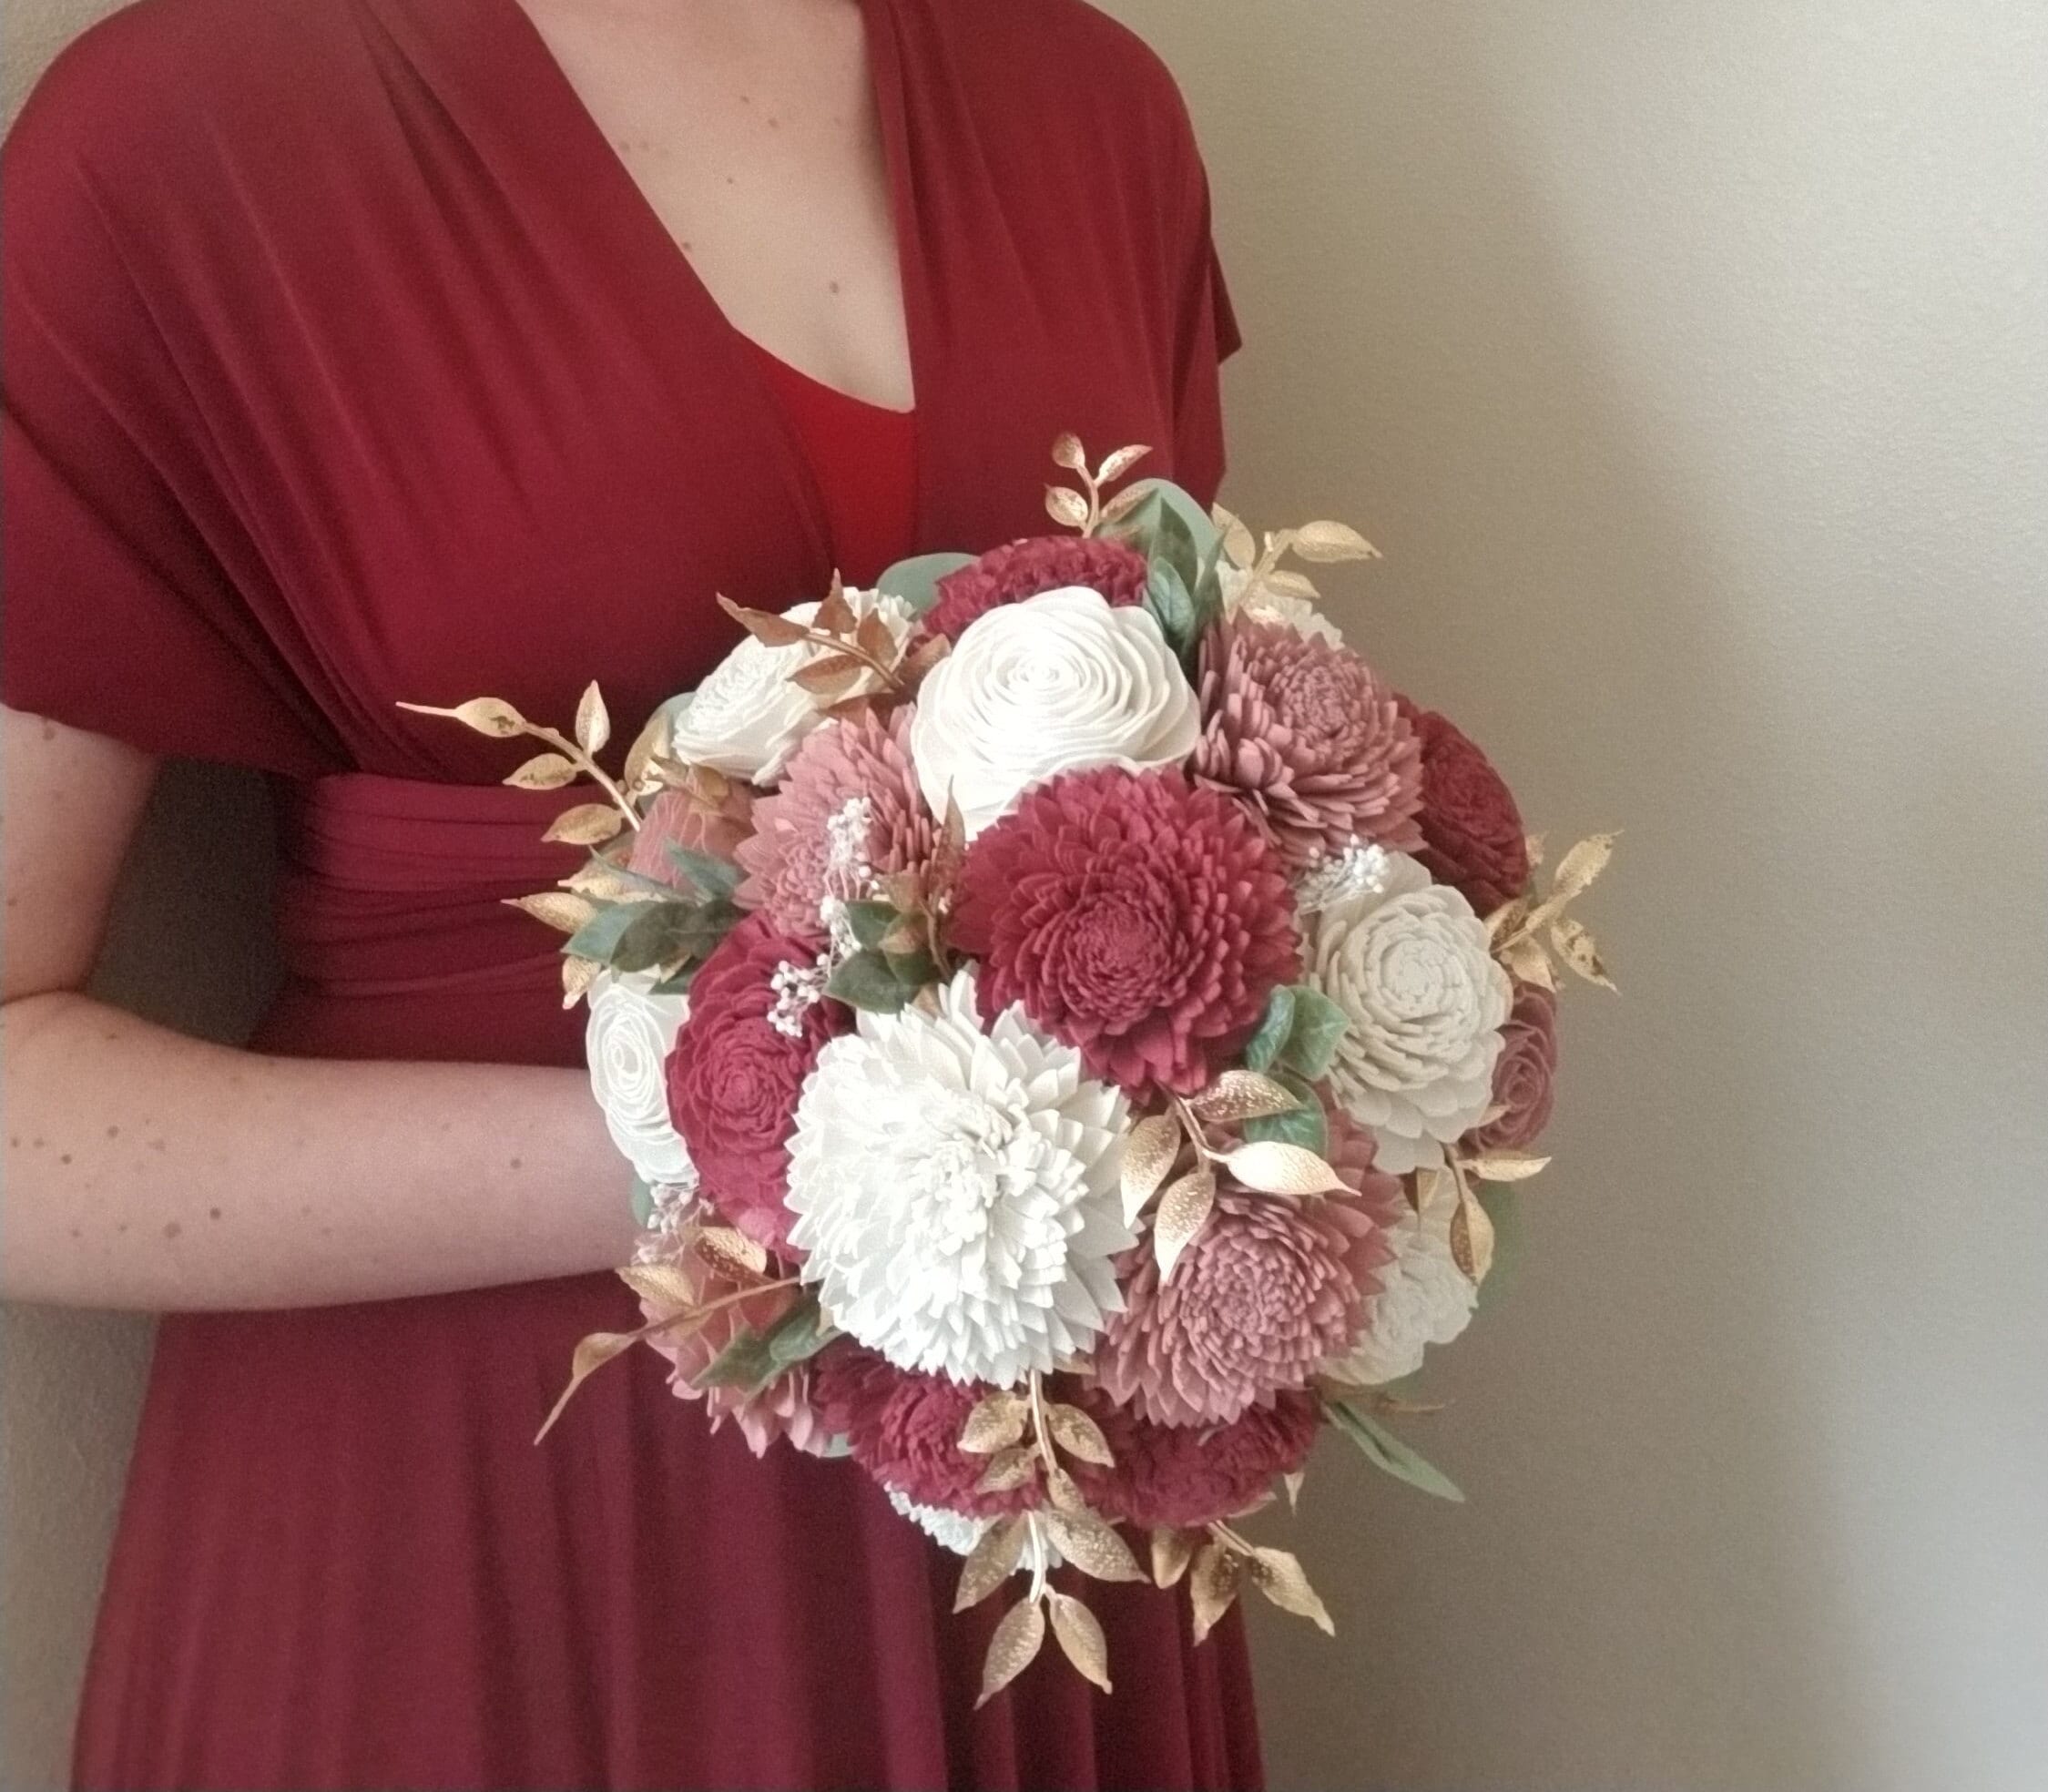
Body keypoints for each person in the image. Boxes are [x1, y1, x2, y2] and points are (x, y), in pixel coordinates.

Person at [1, 0, 1250, 1783]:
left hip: (1028, 1490)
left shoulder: (1096, 112)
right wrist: (783, 1168)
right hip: (473, 1522)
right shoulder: (176, 132)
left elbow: (1206, 786)